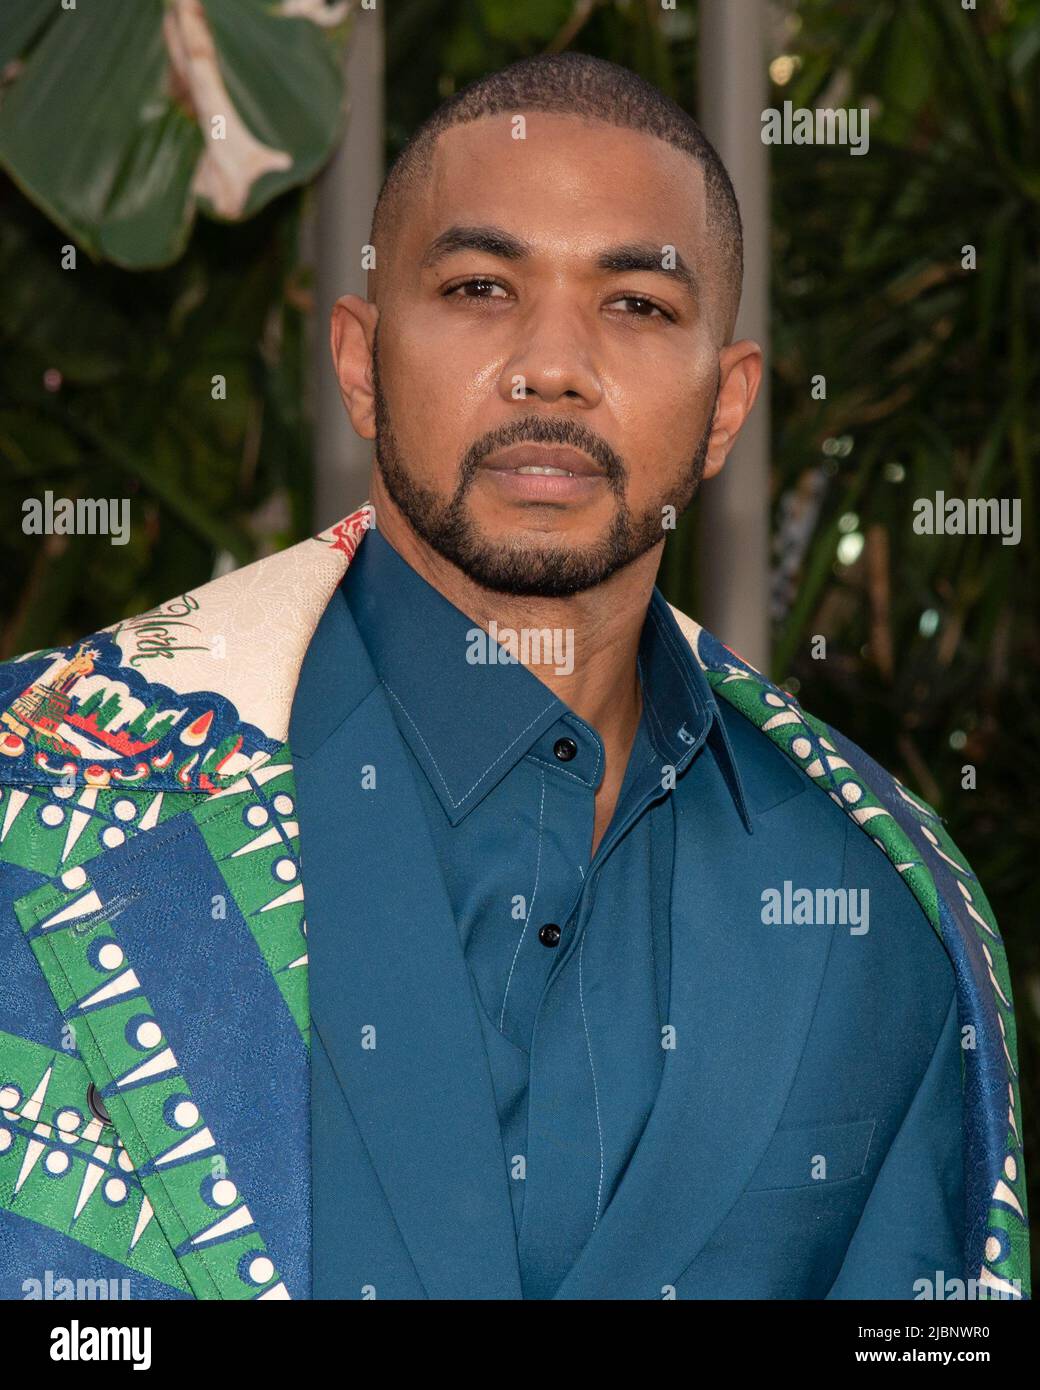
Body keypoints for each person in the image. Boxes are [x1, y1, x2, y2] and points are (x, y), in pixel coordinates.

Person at [0, 54, 1027, 1301]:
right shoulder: (49, 809)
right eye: (480, 286)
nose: (551, 364)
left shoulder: (872, 907)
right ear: (362, 362)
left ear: (725, 404)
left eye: (636, 305)